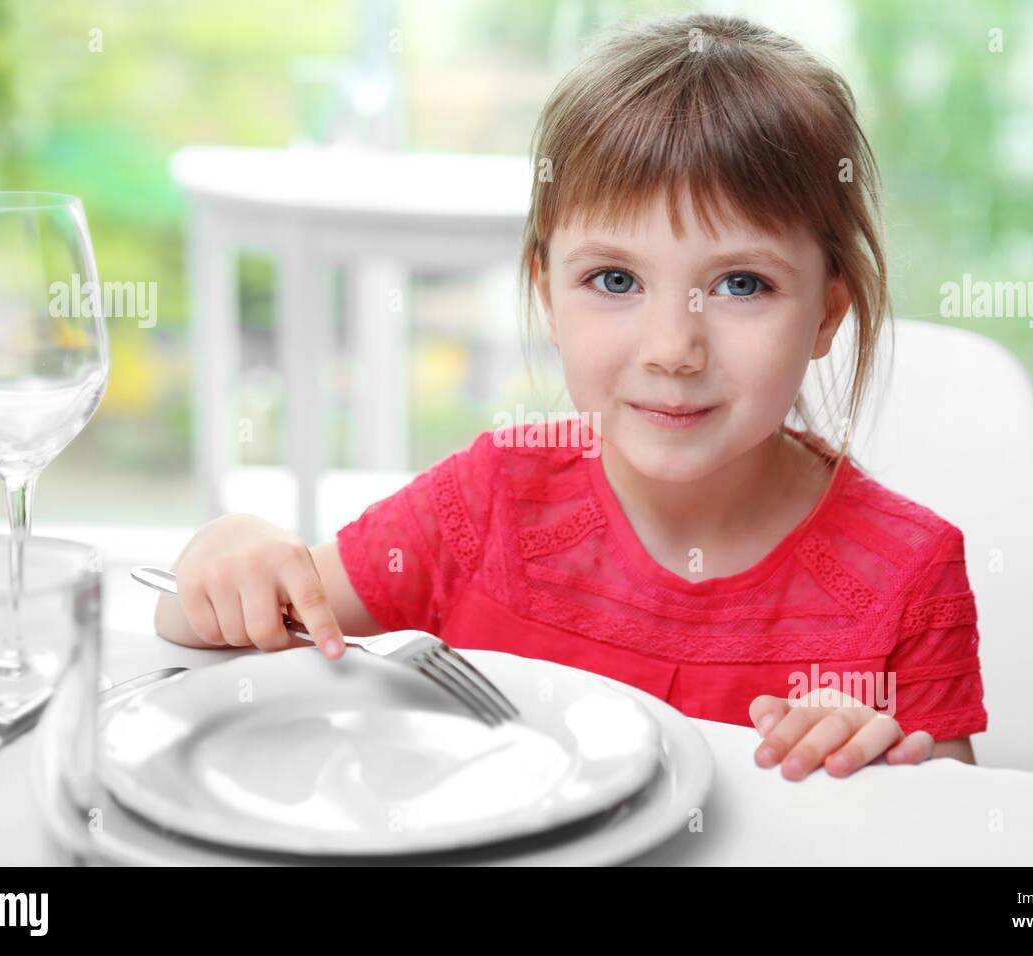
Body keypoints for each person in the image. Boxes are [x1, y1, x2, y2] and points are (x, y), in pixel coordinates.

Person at [155, 12, 987, 781]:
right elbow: (236, 617)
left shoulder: (907, 577)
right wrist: (229, 556)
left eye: (741, 283)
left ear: (826, 314)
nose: (673, 349)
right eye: (615, 279)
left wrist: (885, 777)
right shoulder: (488, 506)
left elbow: (968, 837)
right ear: (547, 294)